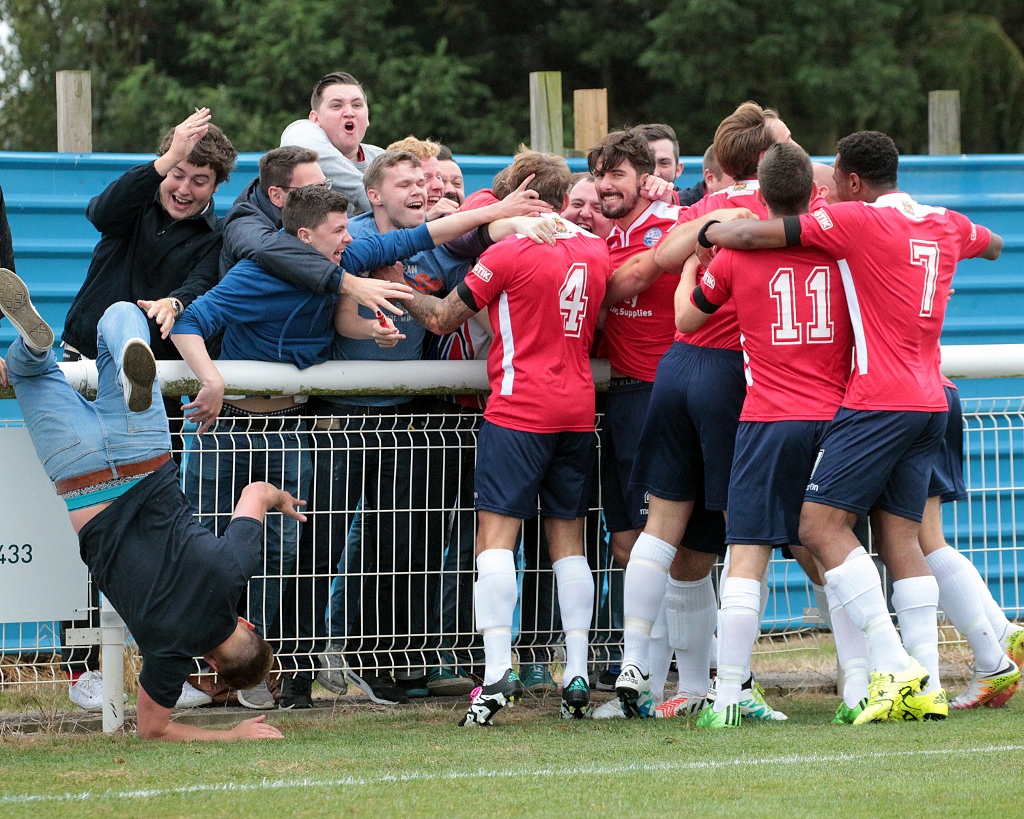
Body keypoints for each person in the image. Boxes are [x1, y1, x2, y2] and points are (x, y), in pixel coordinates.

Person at [703, 130, 1003, 722]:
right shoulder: (943, 221)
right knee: (904, 539)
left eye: (836, 176)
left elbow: (745, 234)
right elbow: (992, 244)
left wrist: (706, 231)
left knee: (818, 525)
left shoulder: (856, 223)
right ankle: (928, 684)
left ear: (855, 182)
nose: (830, 186)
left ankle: (898, 669)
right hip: (932, 398)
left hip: (877, 400)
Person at [0, 269, 298, 741]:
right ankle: (34, 350)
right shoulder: (168, 652)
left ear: (247, 622)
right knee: (30, 372)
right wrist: (232, 735)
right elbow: (153, 730)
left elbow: (255, 491)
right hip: (85, 480)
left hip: (148, 458)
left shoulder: (232, 571)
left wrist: (284, 499)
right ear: (211, 663)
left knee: (119, 313)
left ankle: (125, 359)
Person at [385, 151, 611, 724]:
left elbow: (440, 318)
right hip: (578, 409)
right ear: (564, 199)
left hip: (519, 407)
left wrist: (393, 287)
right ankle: (578, 671)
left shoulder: (508, 251)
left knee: (496, 540)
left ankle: (492, 676)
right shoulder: (594, 248)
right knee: (569, 541)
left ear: (523, 193)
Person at [612, 102, 792, 721]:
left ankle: (644, 665)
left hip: (675, 366)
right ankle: (734, 686)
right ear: (769, 157)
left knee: (666, 529)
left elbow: (664, 261)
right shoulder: (786, 206)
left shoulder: (698, 209)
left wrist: (701, 234)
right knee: (739, 538)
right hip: (734, 375)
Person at [673, 142, 856, 727]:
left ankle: (727, 694)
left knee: (747, 551)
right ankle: (859, 684)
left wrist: (688, 271)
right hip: (835, 418)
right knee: (836, 546)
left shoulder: (733, 255)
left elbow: (687, 321)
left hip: (767, 417)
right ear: (814, 192)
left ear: (761, 193)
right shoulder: (842, 246)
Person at [57, 108, 236, 702]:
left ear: (217, 187)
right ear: (163, 167)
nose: (184, 189)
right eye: (177, 174)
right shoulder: (132, 205)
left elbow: (204, 289)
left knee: (138, 532)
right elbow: (97, 211)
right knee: (85, 522)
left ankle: (141, 664)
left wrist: (175, 305)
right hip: (83, 370)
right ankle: (84, 665)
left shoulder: (214, 239)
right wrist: (162, 158)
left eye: (200, 180)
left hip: (150, 396)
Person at [219, 146, 411, 316]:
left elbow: (383, 244)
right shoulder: (243, 222)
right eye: (312, 189)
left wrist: (432, 223)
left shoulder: (320, 219)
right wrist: (347, 283)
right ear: (276, 195)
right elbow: (266, 248)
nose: (323, 196)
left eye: (325, 186)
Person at [281, 71, 383, 215]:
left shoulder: (383, 159)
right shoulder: (300, 136)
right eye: (336, 106)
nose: (349, 112)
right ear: (315, 119)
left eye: (357, 105)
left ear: (367, 118)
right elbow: (299, 140)